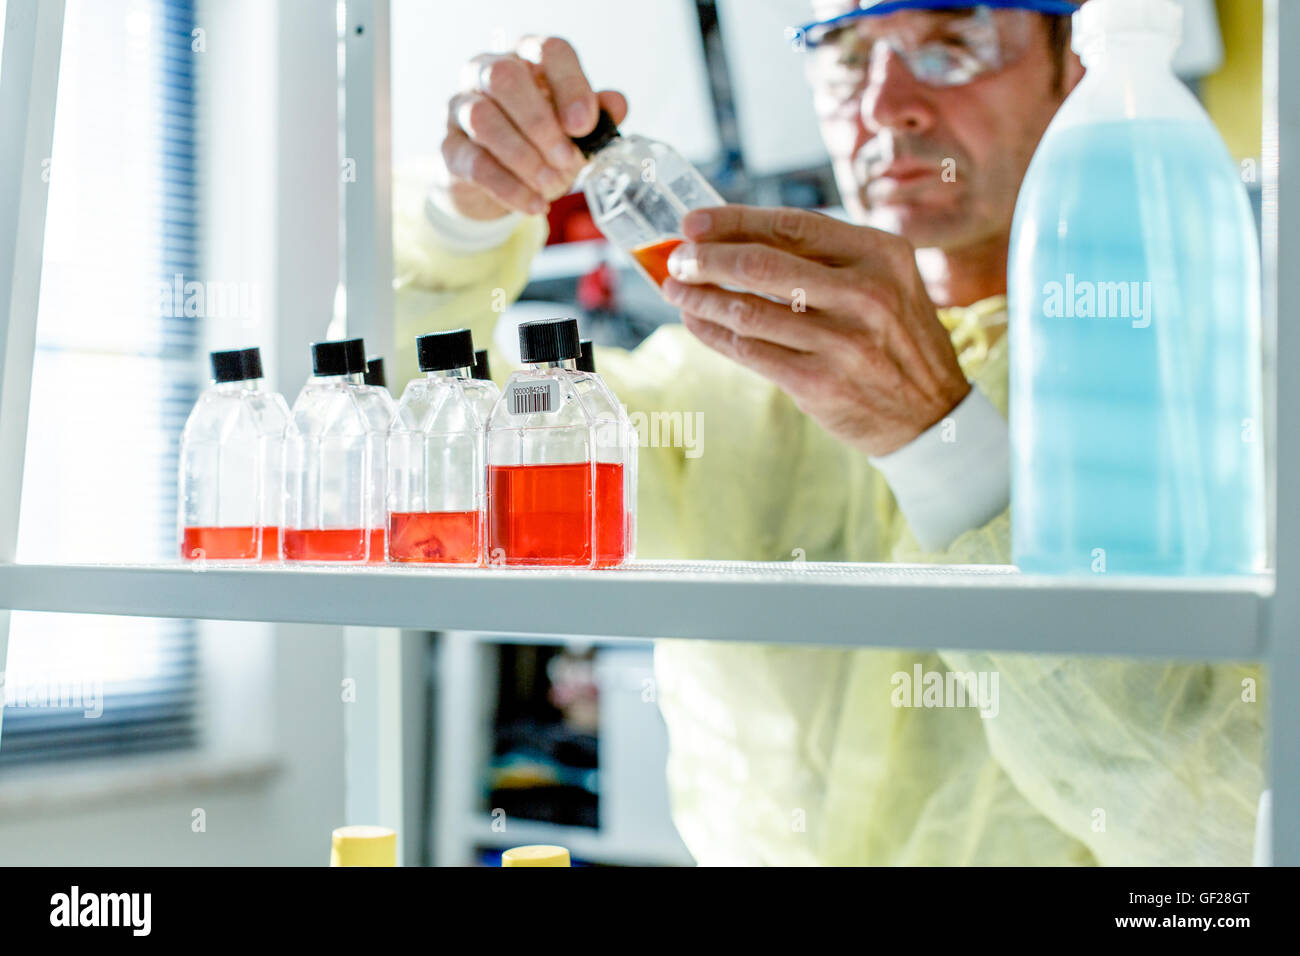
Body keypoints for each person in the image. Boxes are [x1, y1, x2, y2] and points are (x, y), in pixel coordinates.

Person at [395, 0, 1264, 864]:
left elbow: (1231, 824)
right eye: (848, 53)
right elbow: (398, 441)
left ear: (1073, 63)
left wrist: (943, 445)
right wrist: (463, 219)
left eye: (955, 40)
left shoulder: (1207, 375)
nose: (885, 106)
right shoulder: (726, 390)